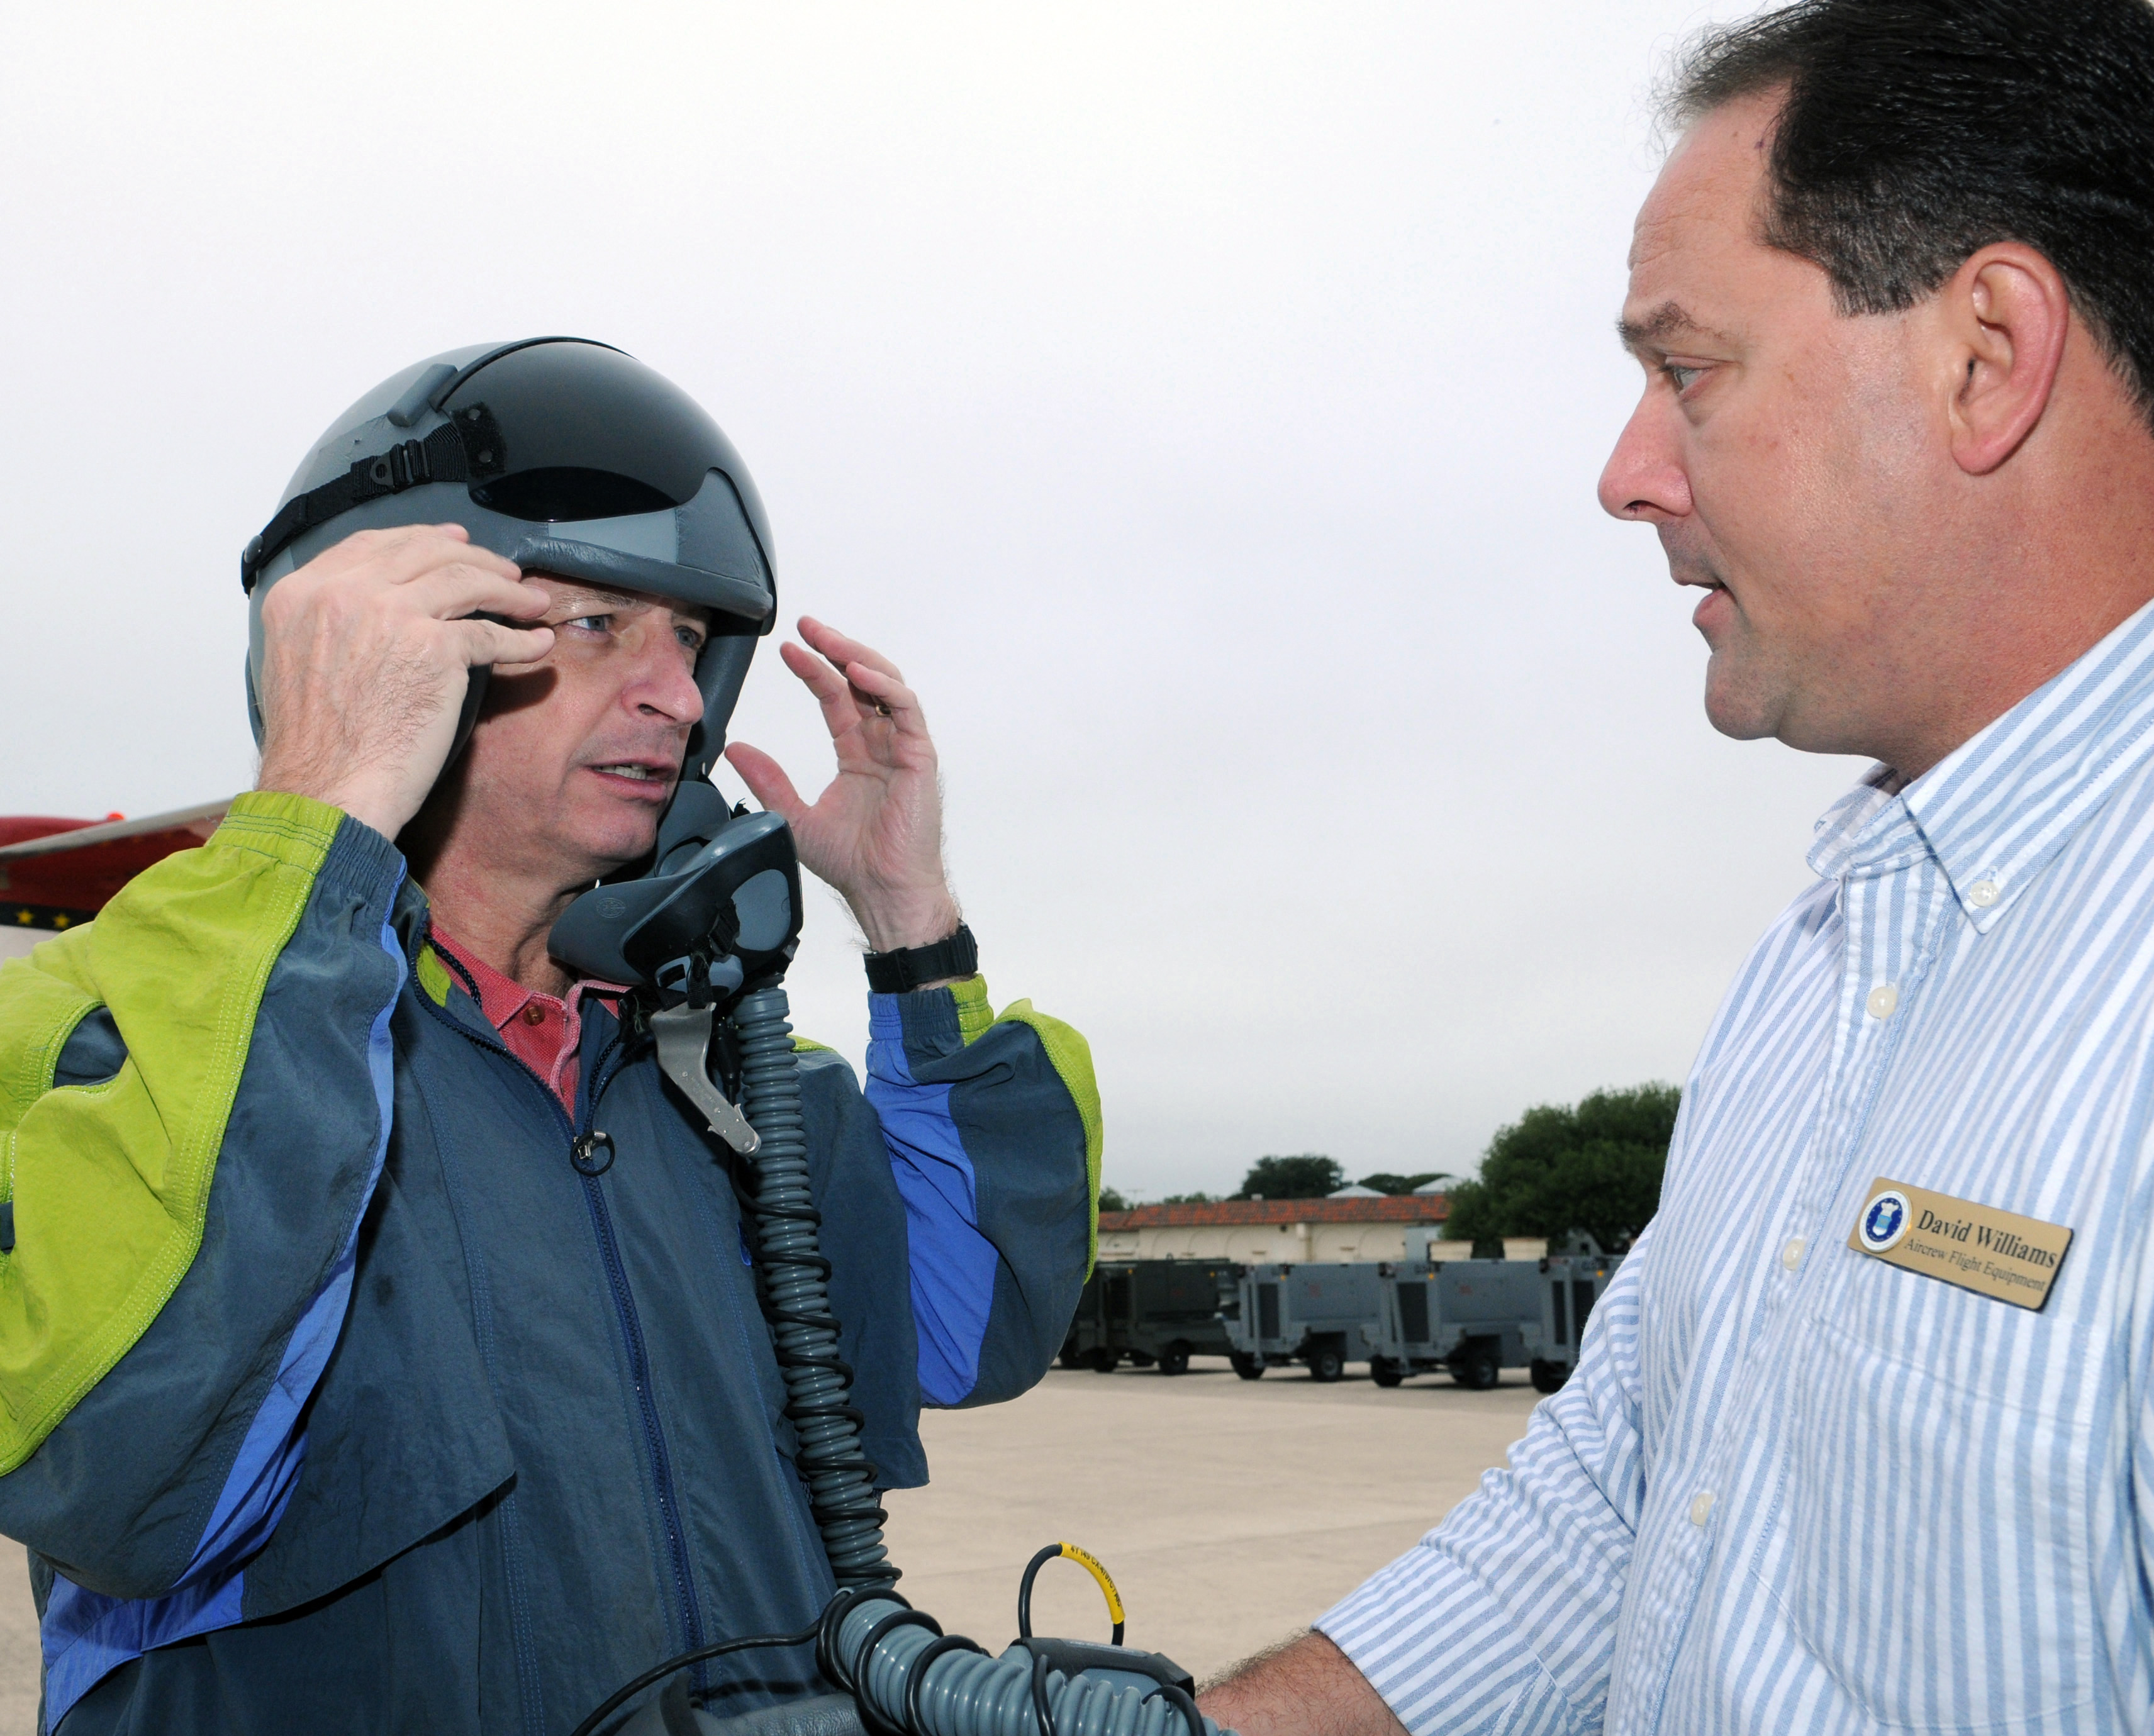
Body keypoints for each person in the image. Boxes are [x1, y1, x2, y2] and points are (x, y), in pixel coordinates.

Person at [1200, 1, 2154, 1730]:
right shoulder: (1829, 955)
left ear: (1986, 355)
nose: (1628, 475)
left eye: (1687, 369)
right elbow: (1611, 1516)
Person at [0, 339, 1100, 1733]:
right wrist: (319, 810)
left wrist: (908, 917)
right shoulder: (104, 1030)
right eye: (596, 629)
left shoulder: (740, 1088)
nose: (679, 699)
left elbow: (975, 1326)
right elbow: (116, 1460)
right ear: (388, 650)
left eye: (692, 644)